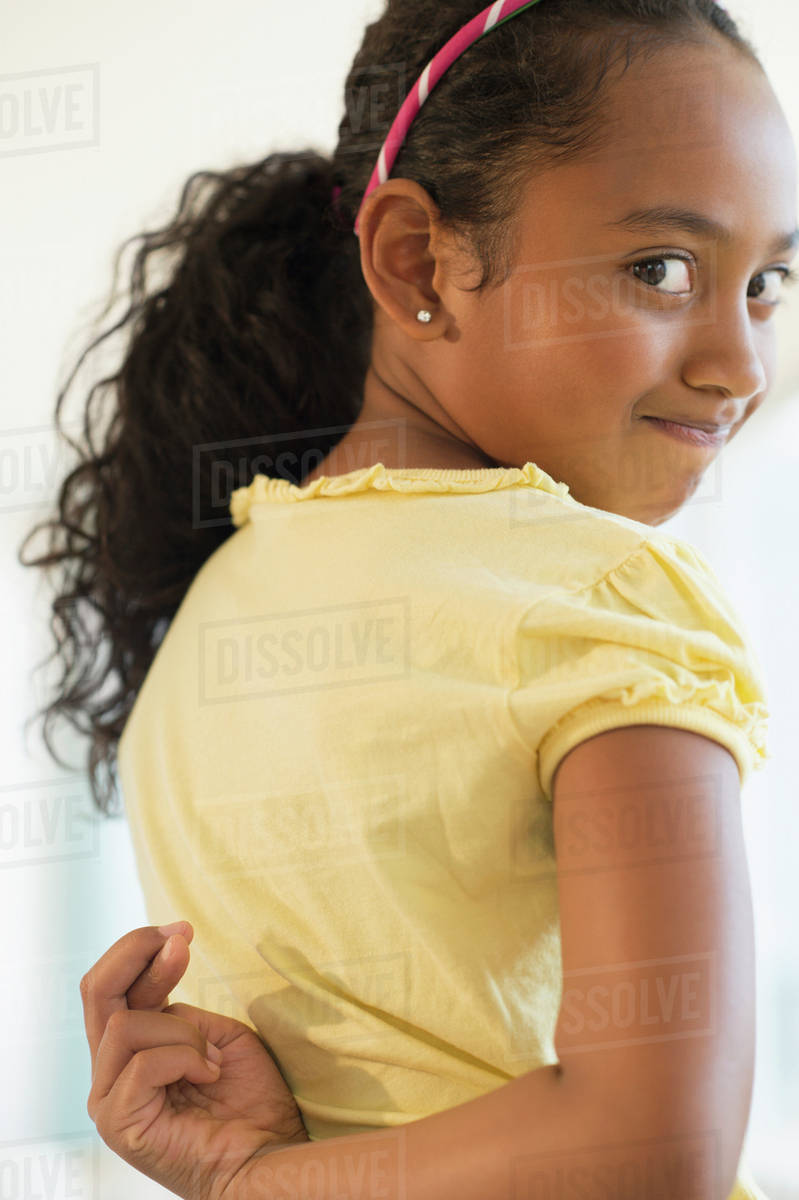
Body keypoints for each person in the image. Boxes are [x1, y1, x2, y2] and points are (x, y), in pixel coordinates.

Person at [23, 0, 797, 1196]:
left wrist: (264, 1176)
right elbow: (654, 1146)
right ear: (417, 259)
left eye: (764, 285)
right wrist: (253, 1187)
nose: (740, 365)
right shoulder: (597, 593)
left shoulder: (208, 624)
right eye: (661, 267)